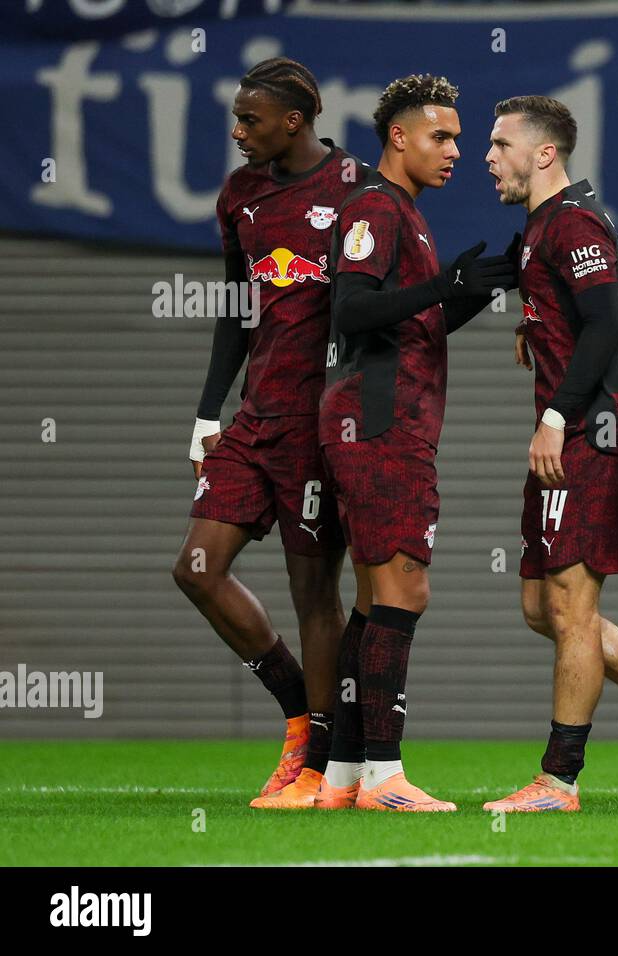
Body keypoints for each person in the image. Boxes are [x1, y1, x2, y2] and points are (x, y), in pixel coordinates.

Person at [312, 74, 517, 812]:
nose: (457, 150)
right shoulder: (373, 206)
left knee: (373, 598)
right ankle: (384, 775)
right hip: (379, 423)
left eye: (461, 138)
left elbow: (409, 327)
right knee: (405, 589)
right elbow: (353, 311)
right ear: (398, 136)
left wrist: (470, 290)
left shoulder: (405, 213)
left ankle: (339, 777)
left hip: (383, 420)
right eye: (442, 136)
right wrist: (441, 287)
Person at [482, 95, 618, 814]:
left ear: (545, 154)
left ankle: (558, 781)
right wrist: (535, 325)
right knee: (542, 606)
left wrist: (554, 415)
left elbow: (604, 325)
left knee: (571, 609)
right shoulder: (542, 227)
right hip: (570, 435)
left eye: (500, 144)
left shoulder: (573, 222)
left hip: (590, 436)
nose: (488, 157)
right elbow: (577, 315)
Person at [173, 57, 355, 806]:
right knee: (195, 568)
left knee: (314, 592)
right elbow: (234, 312)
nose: (238, 131)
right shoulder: (239, 198)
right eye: (236, 117)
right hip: (255, 419)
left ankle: (318, 760)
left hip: (320, 423)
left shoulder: (355, 191)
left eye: (250, 119)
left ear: (294, 120)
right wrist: (208, 414)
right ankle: (298, 717)